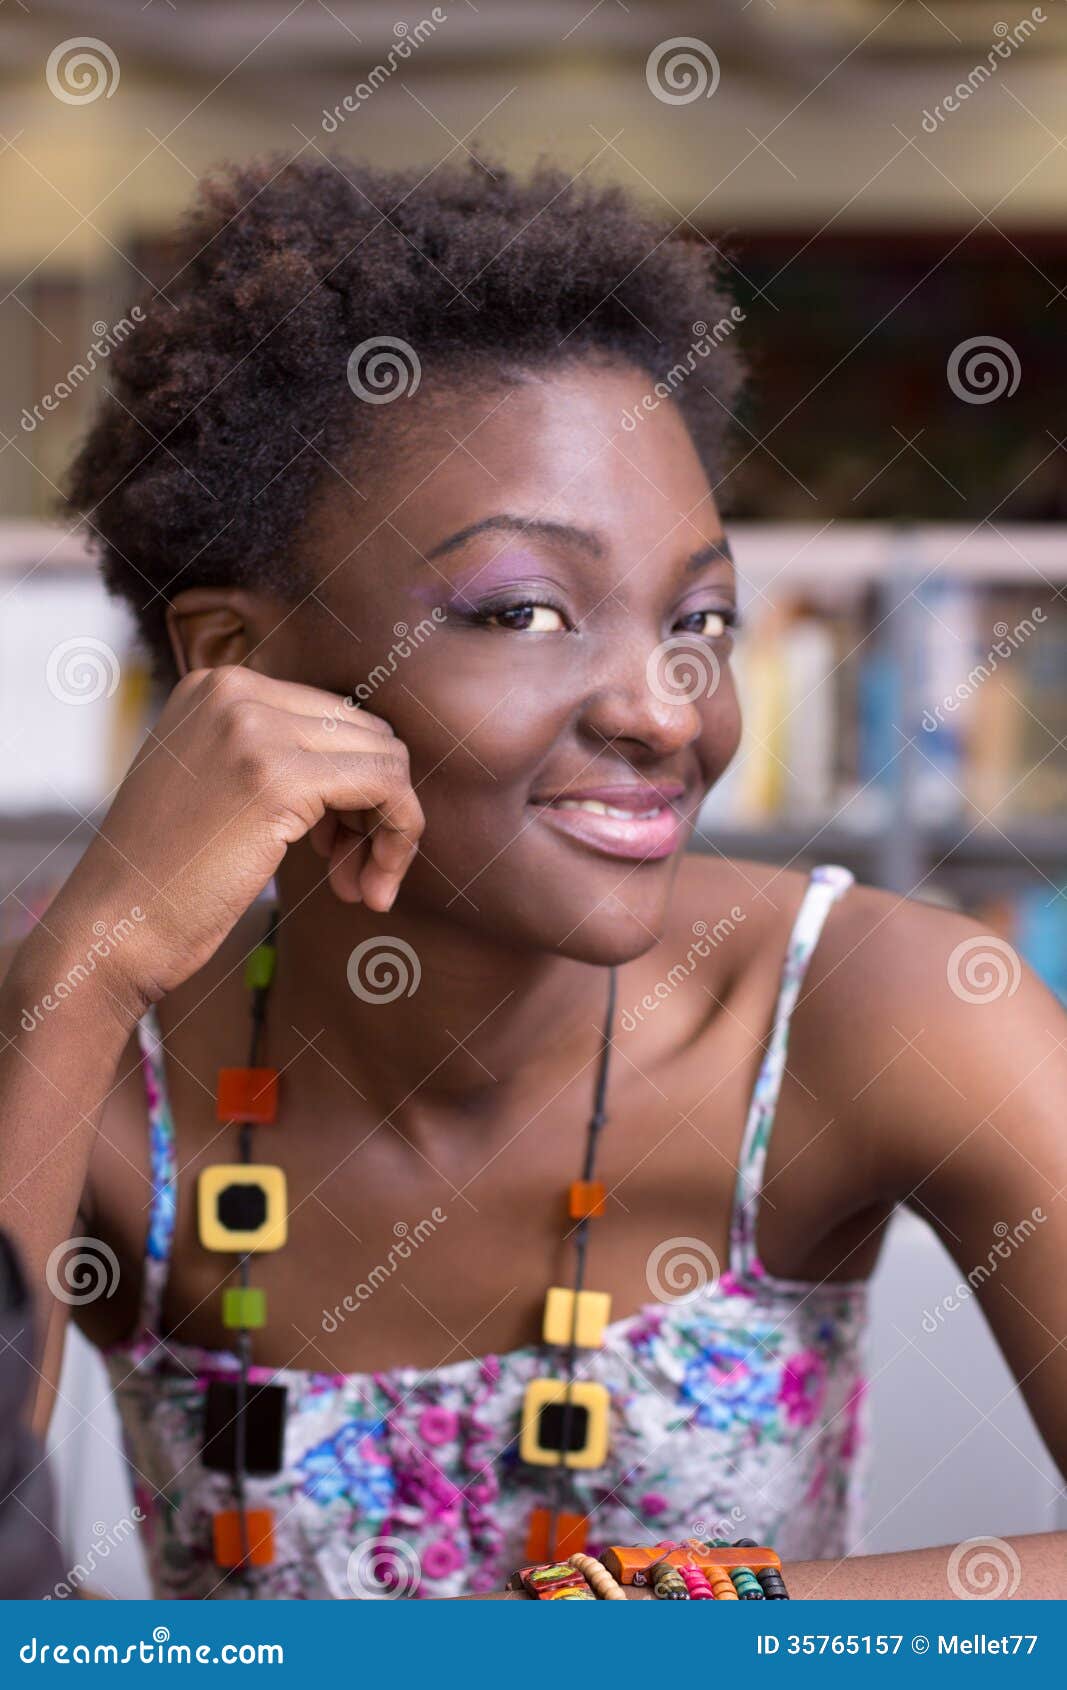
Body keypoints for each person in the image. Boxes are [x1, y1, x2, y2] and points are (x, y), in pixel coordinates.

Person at [1, 156, 1064, 1600]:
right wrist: (81, 973)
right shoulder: (98, 1060)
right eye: (524, 608)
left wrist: (680, 1628)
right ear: (234, 667)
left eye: (701, 616)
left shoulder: (888, 1009)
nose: (669, 707)